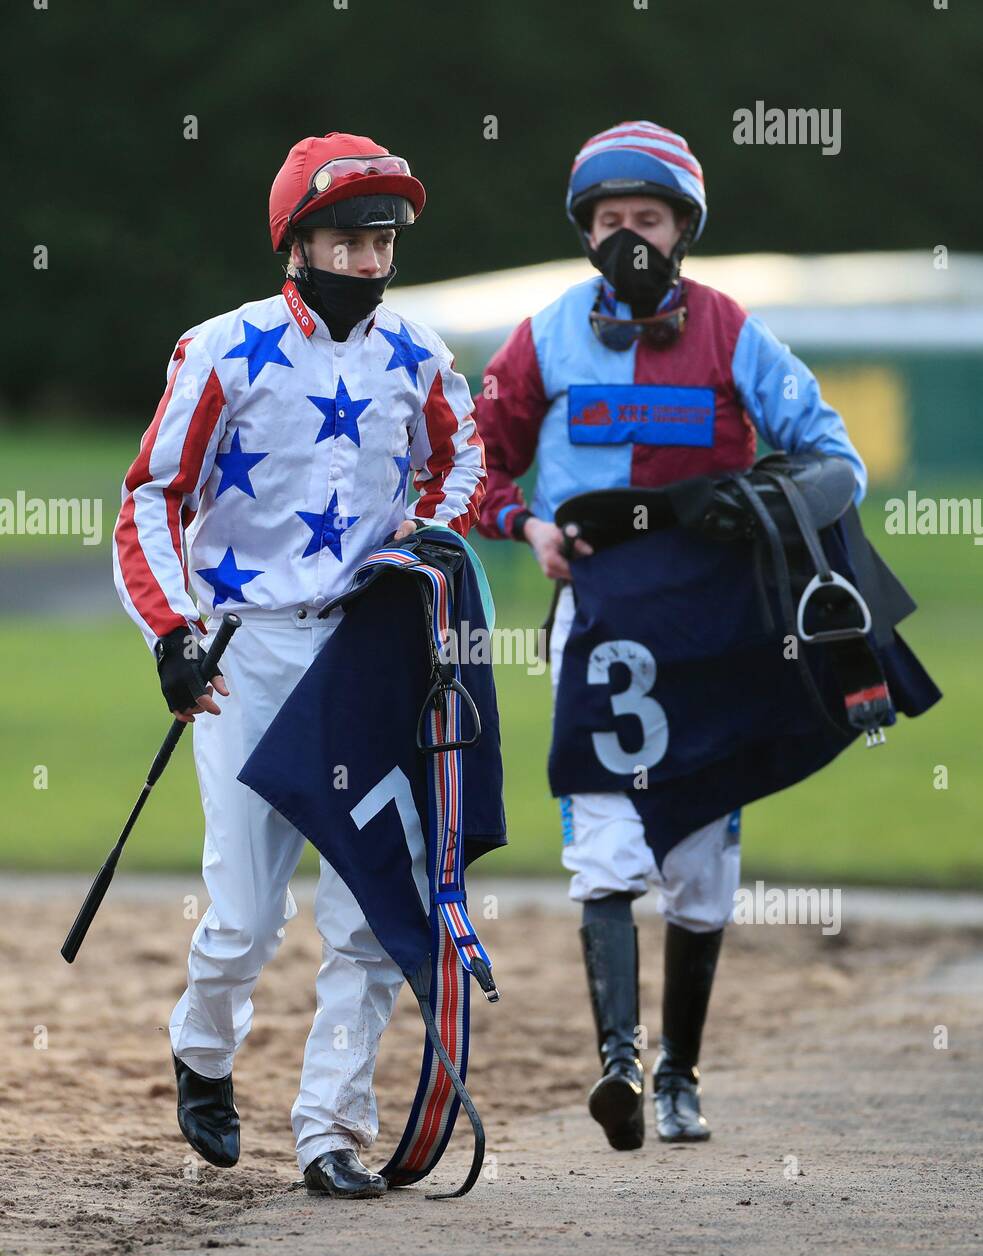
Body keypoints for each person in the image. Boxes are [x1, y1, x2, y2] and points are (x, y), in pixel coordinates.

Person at [475, 119, 866, 1150]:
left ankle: (680, 1071)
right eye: (608, 221)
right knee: (603, 846)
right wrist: (524, 524)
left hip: (717, 627)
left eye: (646, 218)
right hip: (596, 623)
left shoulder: (733, 331)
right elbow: (476, 469)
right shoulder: (540, 336)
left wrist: (767, 501)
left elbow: (836, 461)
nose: (627, 236)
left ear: (682, 228)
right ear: (583, 232)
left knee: (699, 865)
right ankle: (617, 1062)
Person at [112, 131, 486, 1196]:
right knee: (244, 912)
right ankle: (203, 1048)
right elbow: (149, 499)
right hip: (243, 651)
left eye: (383, 239)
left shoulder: (420, 355)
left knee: (367, 909)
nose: (369, 259)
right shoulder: (220, 349)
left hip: (365, 652)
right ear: (297, 242)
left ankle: (331, 1129)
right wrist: (172, 634)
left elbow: (464, 470)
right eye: (348, 238)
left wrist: (412, 555)